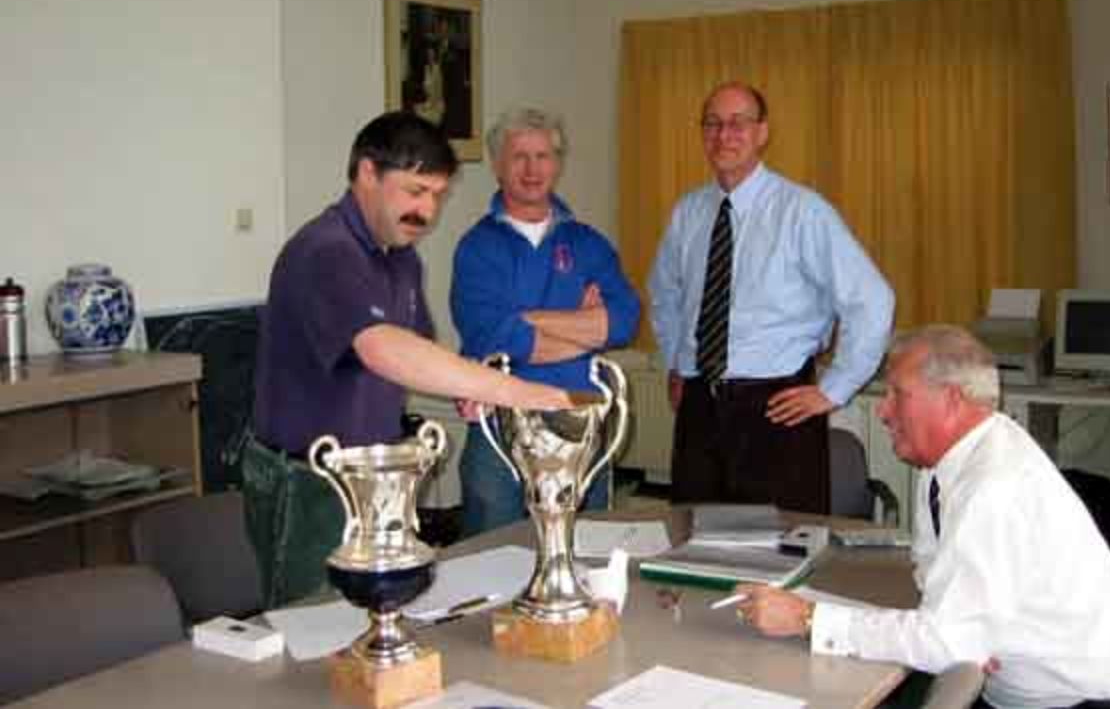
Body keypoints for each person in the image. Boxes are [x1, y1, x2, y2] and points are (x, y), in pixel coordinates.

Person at [736, 325, 1110, 709]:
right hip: (1035, 691)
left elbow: (950, 641)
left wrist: (810, 619)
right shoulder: (949, 460)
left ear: (950, 399)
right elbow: (938, 588)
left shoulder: (994, 483)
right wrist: (960, 628)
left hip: (1099, 700)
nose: (883, 410)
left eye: (897, 394)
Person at [245, 112, 574, 608]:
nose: (428, 211)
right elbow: (383, 348)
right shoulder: (325, 251)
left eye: (438, 195)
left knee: (373, 623)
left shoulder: (401, 257)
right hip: (310, 484)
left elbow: (416, 349)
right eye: (416, 191)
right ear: (367, 173)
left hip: (374, 477)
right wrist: (518, 393)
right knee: (313, 627)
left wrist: (465, 386)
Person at [647, 82, 894, 512]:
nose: (724, 135)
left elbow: (872, 299)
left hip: (777, 407)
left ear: (762, 132)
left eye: (738, 123)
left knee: (782, 543)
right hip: (699, 408)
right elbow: (664, 294)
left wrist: (834, 389)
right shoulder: (688, 212)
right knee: (692, 537)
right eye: (712, 123)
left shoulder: (803, 211)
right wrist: (677, 362)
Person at [450, 107, 641, 536]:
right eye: (519, 157)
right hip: (499, 427)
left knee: (583, 550)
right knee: (493, 554)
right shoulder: (477, 248)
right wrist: (585, 327)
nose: (532, 169)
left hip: (579, 426)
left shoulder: (588, 243)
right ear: (498, 166)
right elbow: (493, 337)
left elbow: (624, 322)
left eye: (543, 156)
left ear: (557, 164)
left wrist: (527, 319)